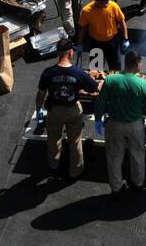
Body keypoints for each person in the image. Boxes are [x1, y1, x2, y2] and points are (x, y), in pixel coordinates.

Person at [93, 50, 146, 195]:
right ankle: (138, 183)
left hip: (114, 125)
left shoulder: (110, 80)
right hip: (135, 126)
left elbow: (100, 102)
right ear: (137, 64)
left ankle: (116, 188)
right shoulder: (143, 84)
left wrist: (97, 119)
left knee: (114, 156)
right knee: (137, 155)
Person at [35, 41, 99, 179]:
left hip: (54, 111)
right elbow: (94, 88)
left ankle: (53, 166)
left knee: (53, 139)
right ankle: (75, 171)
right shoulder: (78, 73)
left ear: (58, 53)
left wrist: (39, 110)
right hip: (73, 110)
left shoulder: (48, 72)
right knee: (75, 141)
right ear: (71, 53)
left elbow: (41, 94)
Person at [77, 0, 129, 71]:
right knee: (96, 70)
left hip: (112, 43)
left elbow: (122, 22)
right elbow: (82, 28)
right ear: (97, 1)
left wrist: (125, 38)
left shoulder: (113, 6)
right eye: (105, 2)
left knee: (115, 69)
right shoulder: (86, 11)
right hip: (95, 44)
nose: (108, 4)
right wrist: (79, 44)